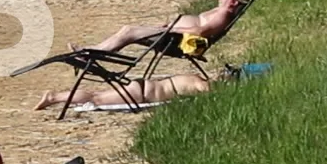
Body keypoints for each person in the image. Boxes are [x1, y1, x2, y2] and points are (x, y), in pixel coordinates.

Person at [84, 0, 256, 53]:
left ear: (233, 1)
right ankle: (94, 50)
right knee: (128, 30)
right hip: (170, 35)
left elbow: (200, 31)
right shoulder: (220, 10)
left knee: (128, 31)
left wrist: (171, 29)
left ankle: (93, 52)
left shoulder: (223, 15)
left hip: (173, 40)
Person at [34, 72, 214, 111]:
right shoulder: (201, 84)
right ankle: (54, 97)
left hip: (143, 87)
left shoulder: (193, 75)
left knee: (96, 96)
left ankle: (56, 97)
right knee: (95, 99)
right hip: (142, 94)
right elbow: (209, 95)